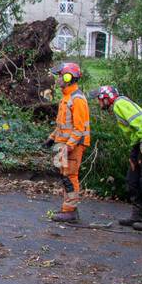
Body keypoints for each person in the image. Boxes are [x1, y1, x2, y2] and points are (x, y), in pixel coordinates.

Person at [93, 85, 142, 234]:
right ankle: (137, 215)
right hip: (139, 143)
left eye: (99, 100)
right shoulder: (118, 105)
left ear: (106, 98)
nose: (98, 103)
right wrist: (135, 149)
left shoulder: (120, 104)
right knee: (133, 179)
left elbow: (139, 121)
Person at [44, 62, 90, 224]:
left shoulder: (77, 99)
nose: (58, 80)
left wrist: (68, 147)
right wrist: (51, 138)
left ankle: (70, 211)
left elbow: (79, 128)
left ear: (69, 77)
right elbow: (62, 124)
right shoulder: (66, 97)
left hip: (73, 145)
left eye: (61, 76)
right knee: (64, 176)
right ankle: (67, 208)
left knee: (70, 176)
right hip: (63, 143)